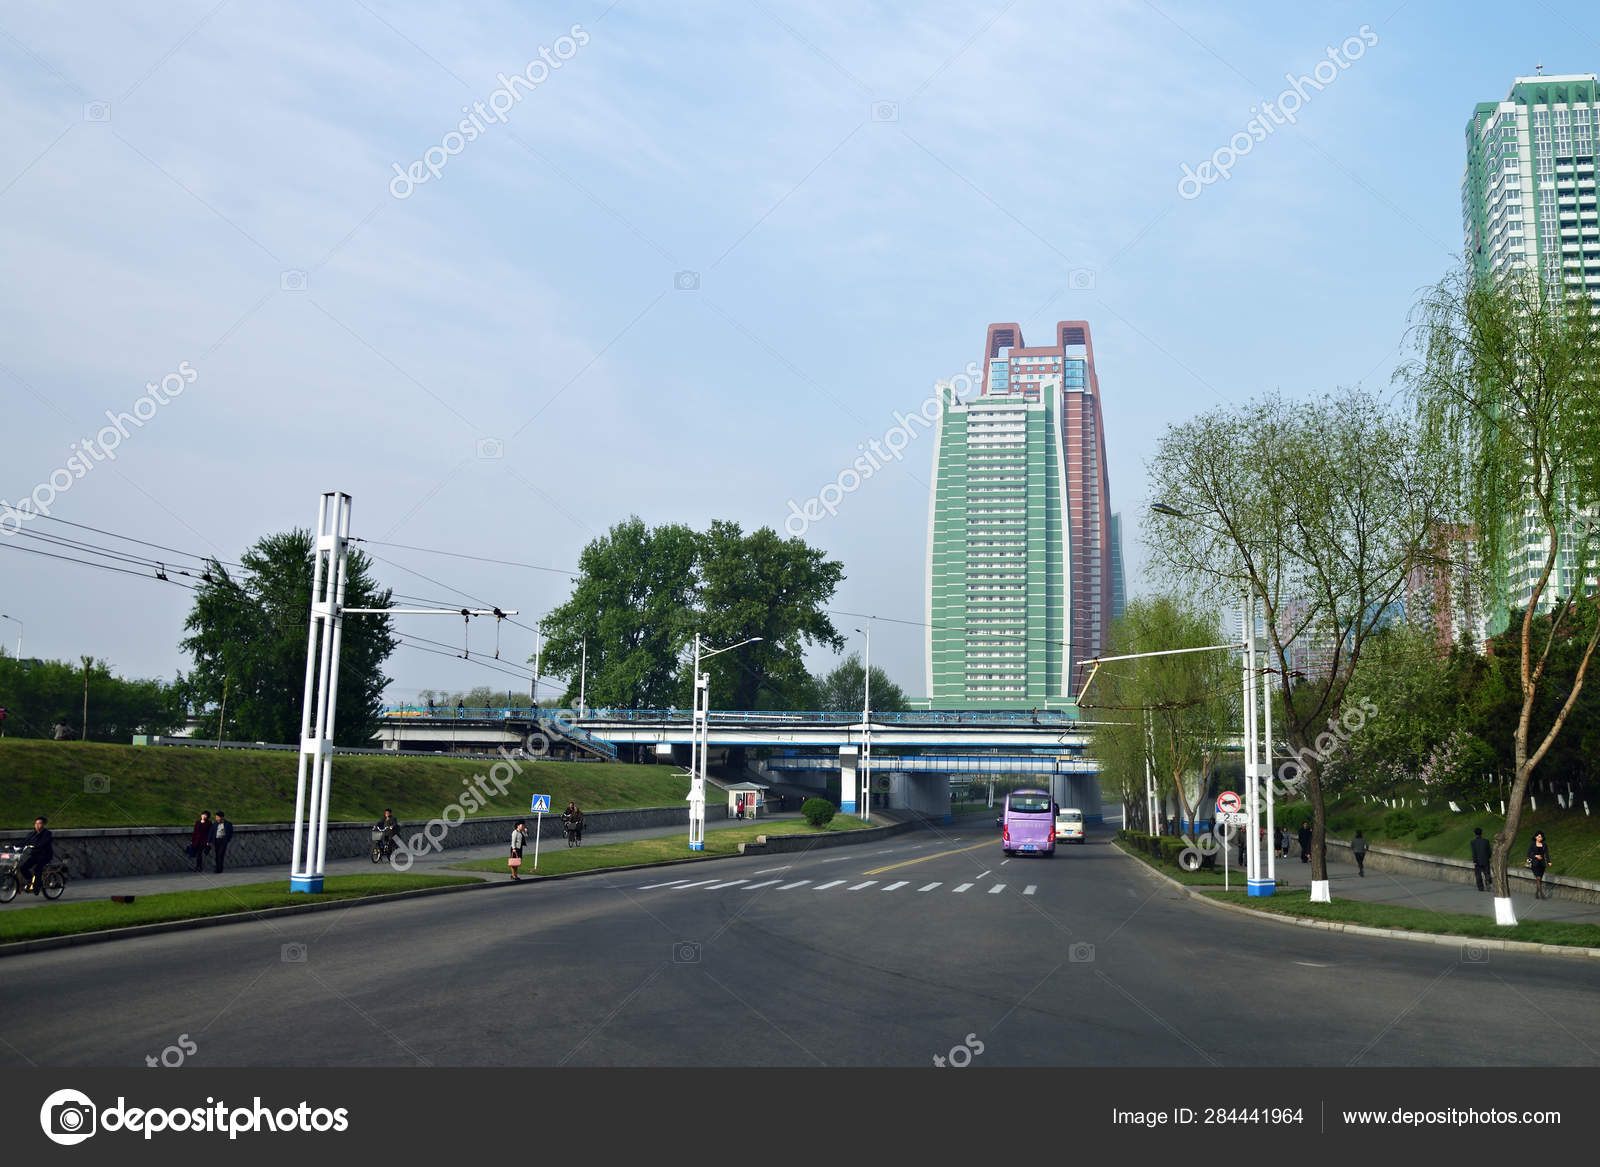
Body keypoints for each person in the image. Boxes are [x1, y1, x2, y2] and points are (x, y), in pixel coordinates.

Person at [15, 816, 52, 894]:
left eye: (39, 823)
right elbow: (25, 842)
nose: (37, 825)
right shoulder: (32, 834)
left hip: (45, 855)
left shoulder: (47, 833)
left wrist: (36, 846)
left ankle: (37, 886)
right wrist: (14, 845)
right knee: (23, 867)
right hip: (34, 855)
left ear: (43, 825)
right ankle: (32, 880)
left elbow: (44, 843)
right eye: (36, 823)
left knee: (38, 869)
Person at [1527, 831, 1552, 899]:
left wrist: (1549, 861)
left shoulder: (1544, 845)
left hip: (1542, 864)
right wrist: (1536, 856)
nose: (1540, 838)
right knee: (1538, 878)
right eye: (1539, 837)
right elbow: (1528, 854)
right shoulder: (1532, 844)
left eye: (1541, 837)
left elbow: (1546, 854)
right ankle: (1541, 893)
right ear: (1535, 837)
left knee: (1539, 879)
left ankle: (1537, 892)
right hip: (1534, 864)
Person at [1471, 826, 1492, 892]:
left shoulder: (1473, 842)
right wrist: (1488, 857)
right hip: (1485, 860)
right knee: (1487, 872)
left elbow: (1474, 852)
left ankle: (1480, 887)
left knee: (1478, 875)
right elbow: (1489, 851)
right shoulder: (1486, 841)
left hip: (1477, 861)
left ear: (1475, 834)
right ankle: (1488, 880)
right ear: (1481, 833)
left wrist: (1474, 860)